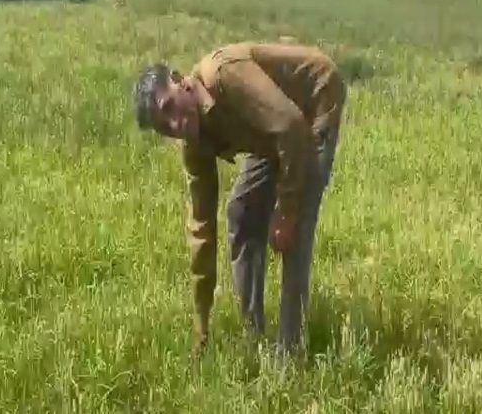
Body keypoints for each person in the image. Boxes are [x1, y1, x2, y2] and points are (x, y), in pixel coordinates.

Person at [132, 42, 347, 354]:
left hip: (312, 103)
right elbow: (201, 228)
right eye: (166, 127)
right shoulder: (193, 142)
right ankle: (254, 335)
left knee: (294, 231)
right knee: (241, 214)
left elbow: (290, 128)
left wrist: (285, 212)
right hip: (272, 129)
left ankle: (291, 352)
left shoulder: (223, 75)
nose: (176, 124)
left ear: (180, 81)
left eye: (170, 108)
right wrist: (201, 325)